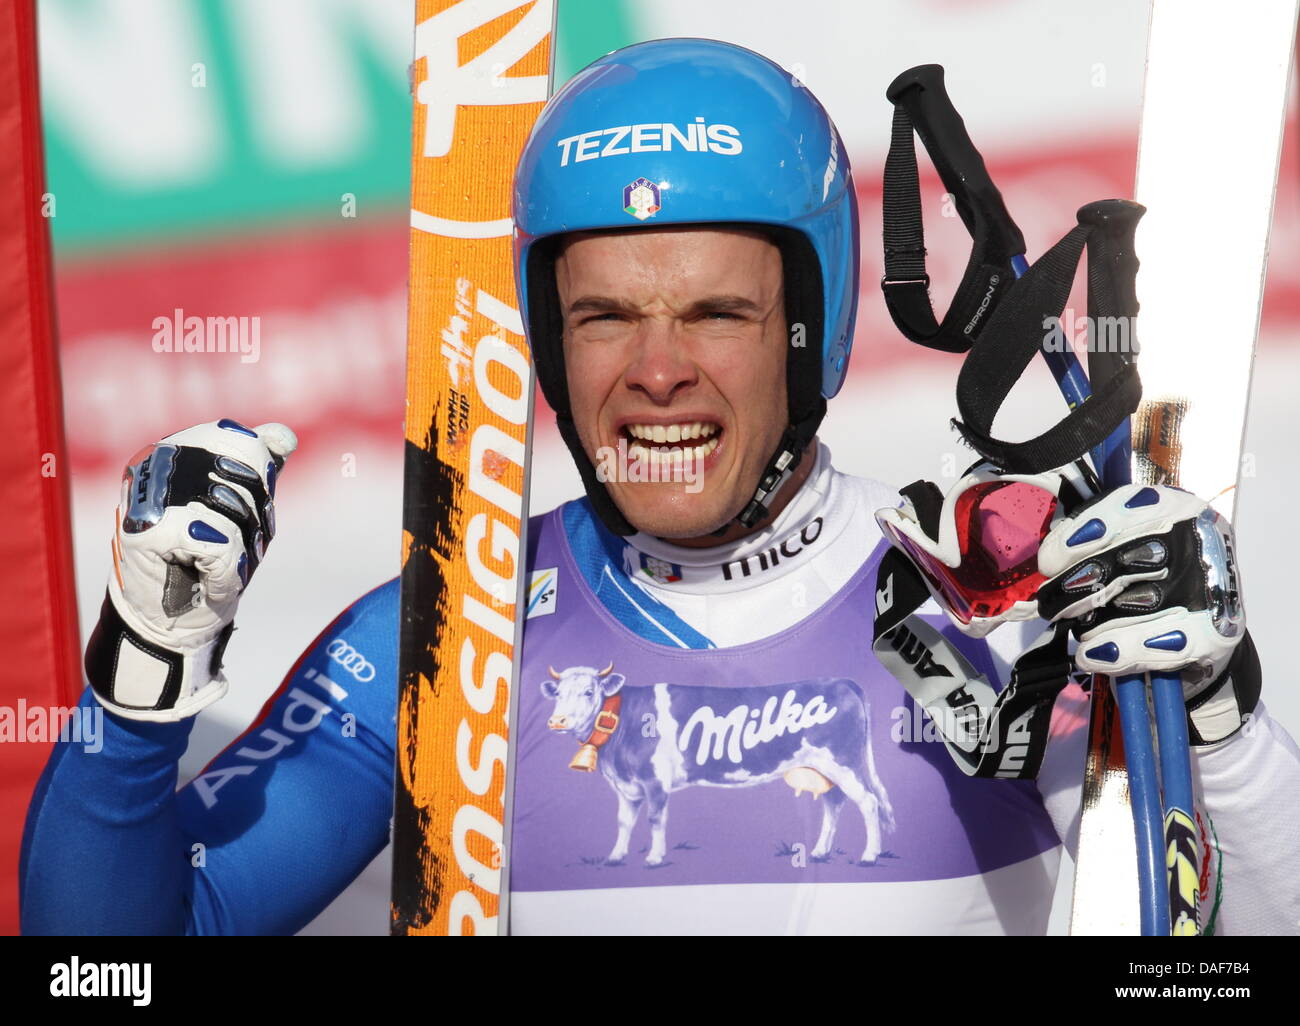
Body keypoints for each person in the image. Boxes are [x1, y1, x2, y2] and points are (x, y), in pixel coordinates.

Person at [20, 38, 1300, 936]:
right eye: (602, 319)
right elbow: (104, 969)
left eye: (717, 313)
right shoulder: (444, 634)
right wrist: (141, 672)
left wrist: (1216, 718)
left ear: (812, 333)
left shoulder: (1003, 611)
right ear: (544, 338)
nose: (657, 372)